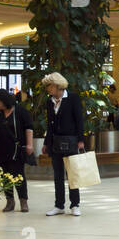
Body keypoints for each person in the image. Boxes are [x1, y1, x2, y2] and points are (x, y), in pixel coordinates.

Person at [0, 88, 33, 212]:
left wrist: (29, 145)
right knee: (4, 176)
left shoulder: (20, 111)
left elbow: (29, 128)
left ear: (3, 100)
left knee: (18, 175)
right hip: (0, 150)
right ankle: (10, 201)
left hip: (16, 150)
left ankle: (23, 201)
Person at [42, 71, 86, 216]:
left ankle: (75, 204)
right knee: (58, 175)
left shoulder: (72, 98)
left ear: (56, 85)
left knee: (72, 175)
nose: (48, 89)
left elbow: (79, 120)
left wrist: (81, 140)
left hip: (71, 141)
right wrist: (46, 143)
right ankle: (59, 205)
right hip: (55, 142)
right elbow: (50, 124)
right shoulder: (50, 101)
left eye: (49, 86)